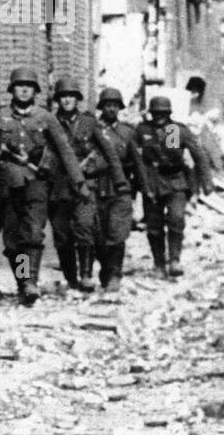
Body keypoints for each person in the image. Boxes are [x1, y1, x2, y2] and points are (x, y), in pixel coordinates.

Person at [0, 67, 85, 305]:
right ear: (12, 89)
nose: (24, 89)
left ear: (35, 91)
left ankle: (30, 282)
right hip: (7, 185)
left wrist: (78, 182)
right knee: (11, 241)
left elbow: (65, 151)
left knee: (32, 233)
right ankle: (22, 282)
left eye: (29, 86)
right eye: (20, 86)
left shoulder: (45, 118)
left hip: (36, 183)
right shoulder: (0, 118)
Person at [48, 78, 127, 292]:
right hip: (60, 187)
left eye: (71, 97)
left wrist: (121, 182)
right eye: (63, 97)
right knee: (62, 237)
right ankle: (70, 277)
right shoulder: (50, 122)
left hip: (87, 187)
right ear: (57, 100)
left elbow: (109, 154)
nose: (67, 101)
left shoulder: (89, 123)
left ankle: (86, 275)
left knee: (85, 228)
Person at [134, 95, 213, 277]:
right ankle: (159, 264)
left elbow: (199, 154)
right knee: (154, 226)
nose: (159, 117)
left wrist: (206, 183)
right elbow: (132, 154)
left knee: (176, 219)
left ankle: (175, 260)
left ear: (169, 113)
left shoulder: (176, 130)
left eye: (163, 113)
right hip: (152, 182)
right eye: (155, 113)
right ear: (150, 114)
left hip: (176, 180)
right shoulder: (143, 130)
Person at [94, 88, 148, 292]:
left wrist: (145, 190)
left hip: (121, 187)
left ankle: (115, 273)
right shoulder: (93, 129)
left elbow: (137, 163)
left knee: (118, 233)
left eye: (115, 106)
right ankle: (106, 269)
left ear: (119, 108)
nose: (111, 109)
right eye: (107, 105)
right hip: (96, 186)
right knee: (98, 235)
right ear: (101, 107)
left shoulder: (127, 132)